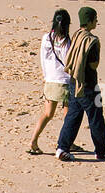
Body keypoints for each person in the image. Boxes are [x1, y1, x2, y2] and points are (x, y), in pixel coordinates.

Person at [55, 7, 105, 162]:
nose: (96, 21)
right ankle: (102, 151)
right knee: (96, 118)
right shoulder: (91, 40)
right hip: (88, 85)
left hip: (74, 82)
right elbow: (93, 65)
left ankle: (62, 148)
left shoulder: (77, 35)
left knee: (73, 117)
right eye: (95, 19)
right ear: (89, 22)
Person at [29, 9, 73, 154]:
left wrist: (45, 75)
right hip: (64, 80)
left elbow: (42, 58)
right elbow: (68, 62)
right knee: (68, 115)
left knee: (48, 114)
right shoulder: (66, 41)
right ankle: (67, 142)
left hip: (50, 79)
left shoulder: (46, 38)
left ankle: (33, 140)